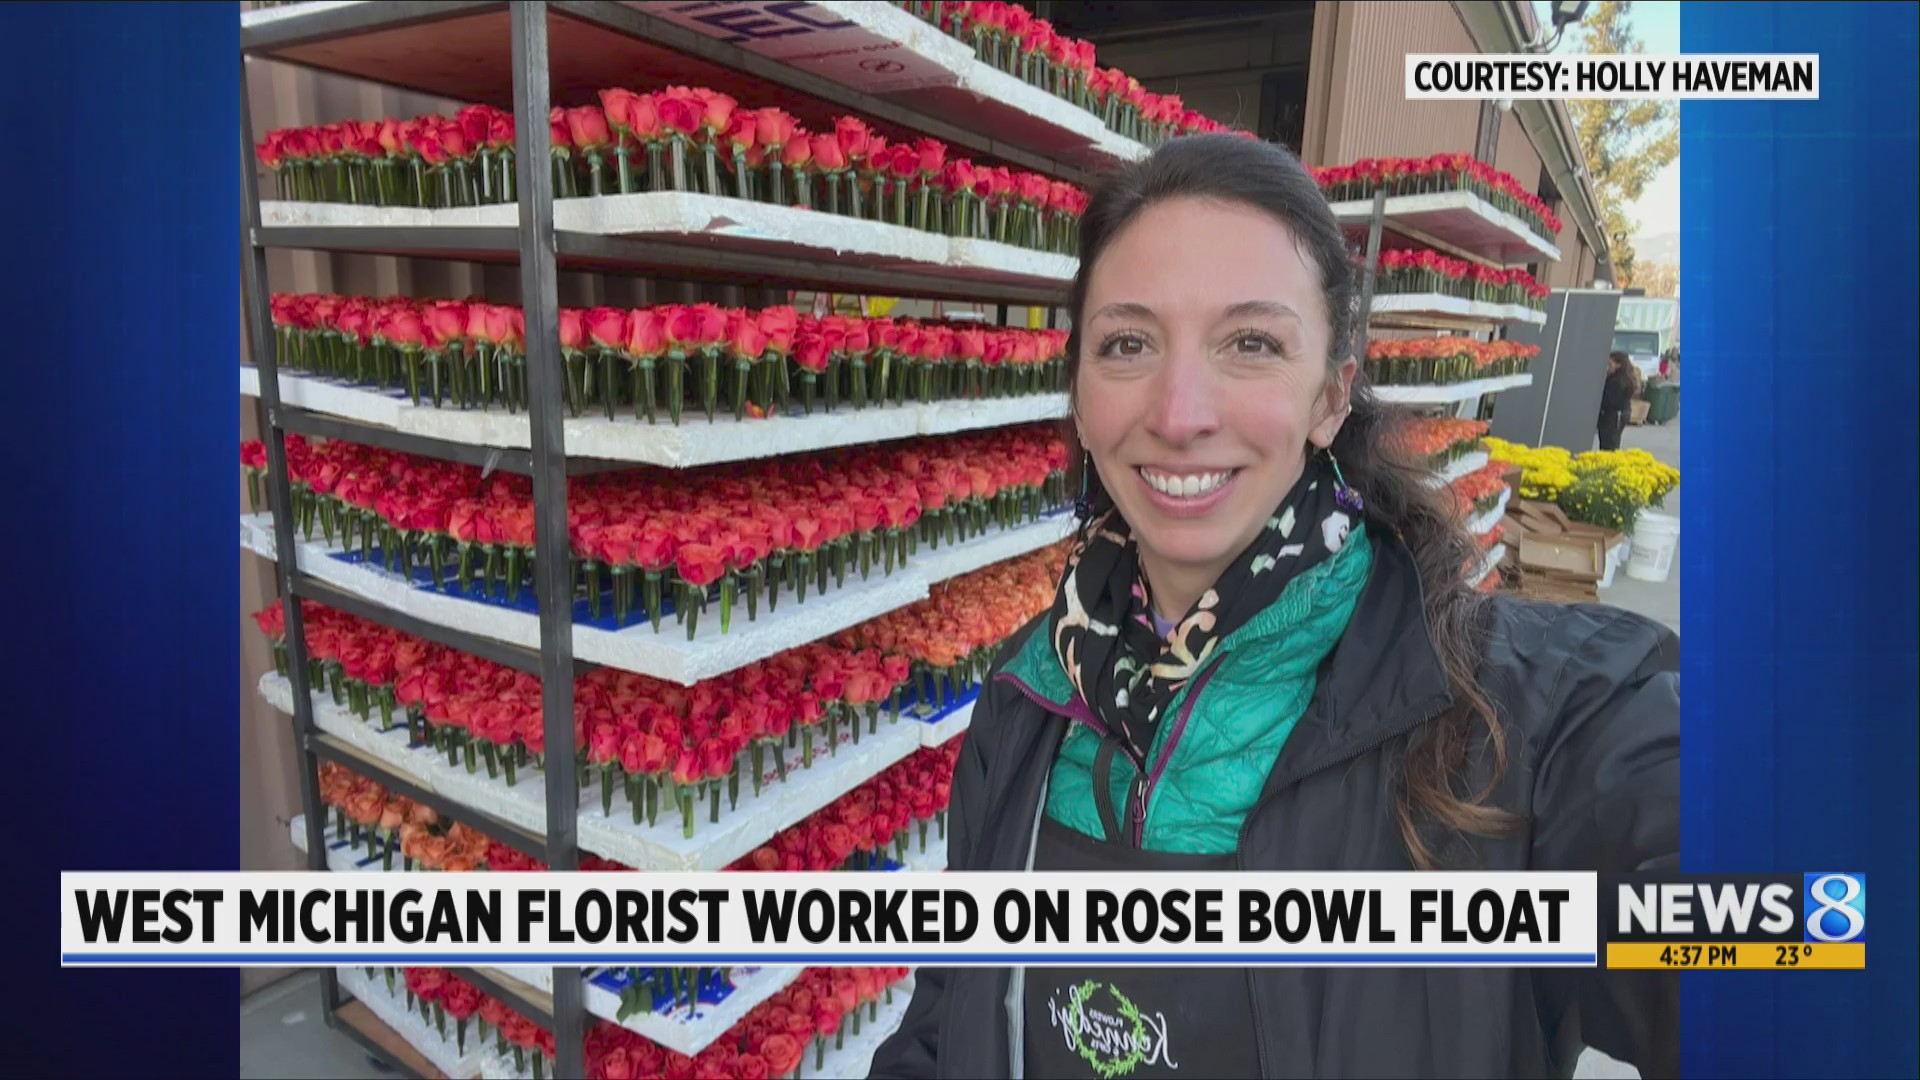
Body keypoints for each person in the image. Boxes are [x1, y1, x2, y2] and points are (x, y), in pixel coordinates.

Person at [868, 135, 1678, 1080]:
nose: (1178, 412)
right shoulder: (1028, 698)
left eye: (1250, 343)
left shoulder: (1532, 724)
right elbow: (948, 1015)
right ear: (1081, 396)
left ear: (1331, 397)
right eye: (1127, 343)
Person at [1598, 350, 1638, 449]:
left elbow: (1609, 400)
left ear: (1618, 365)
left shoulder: (1617, 381)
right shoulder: (1624, 379)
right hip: (1619, 415)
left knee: (1608, 445)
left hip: (1613, 417)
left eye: (1610, 364)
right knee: (1611, 443)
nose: (1608, 367)